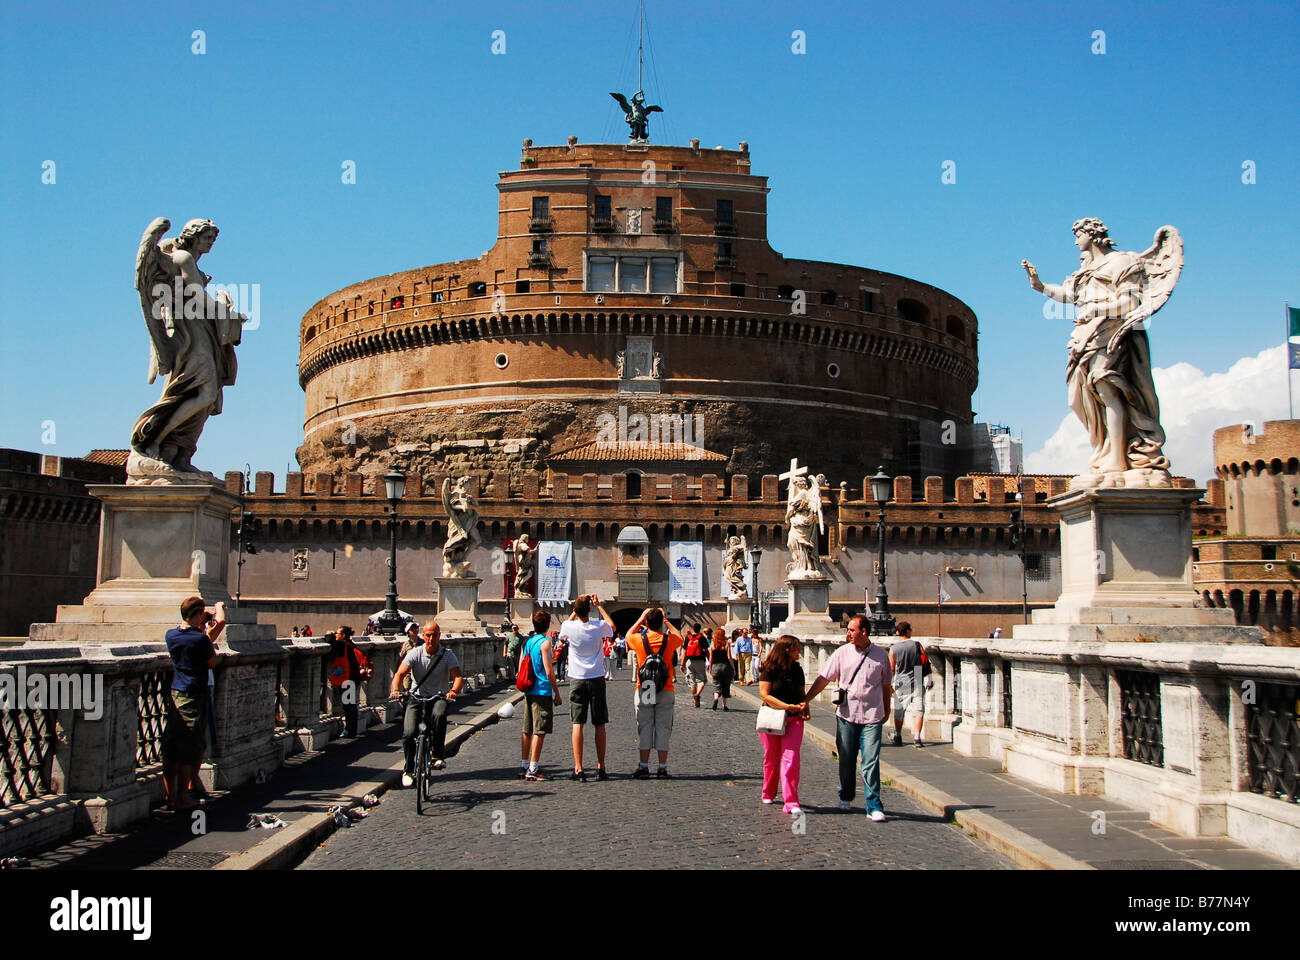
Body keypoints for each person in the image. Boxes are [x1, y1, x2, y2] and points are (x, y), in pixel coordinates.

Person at [802, 614, 893, 821]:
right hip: (846, 715)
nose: (848, 633)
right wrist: (806, 699)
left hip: (872, 716)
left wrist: (886, 711)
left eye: (852, 630)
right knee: (846, 759)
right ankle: (846, 794)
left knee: (870, 761)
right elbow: (824, 678)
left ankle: (874, 805)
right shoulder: (842, 653)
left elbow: (886, 686)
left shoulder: (881, 656)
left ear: (864, 632)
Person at [163, 596, 224, 811]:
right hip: (195, 694)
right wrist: (208, 625)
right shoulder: (200, 639)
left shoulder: (170, 635)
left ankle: (171, 798)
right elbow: (211, 661)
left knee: (171, 748)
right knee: (190, 748)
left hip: (175, 692)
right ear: (198, 615)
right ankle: (184, 796)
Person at [390, 621, 464, 787]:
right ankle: (408, 769)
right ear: (423, 636)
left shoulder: (447, 655)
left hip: (438, 696)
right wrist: (395, 689)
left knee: (439, 714)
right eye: (428, 635)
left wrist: (453, 691)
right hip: (417, 697)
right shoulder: (415, 653)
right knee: (409, 733)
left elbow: (458, 677)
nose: (431, 639)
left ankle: (437, 755)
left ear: (439, 636)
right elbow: (400, 674)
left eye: (434, 635)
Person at [561, 594, 615, 781]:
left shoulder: (569, 626)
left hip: (577, 678)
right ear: (590, 610)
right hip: (596, 678)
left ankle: (578, 768)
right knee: (599, 723)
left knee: (577, 723)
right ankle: (601, 767)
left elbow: (562, 635)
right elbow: (612, 627)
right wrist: (600, 606)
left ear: (575, 611)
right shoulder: (598, 627)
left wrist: (575, 612)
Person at [625, 607, 684, 778]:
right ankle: (662, 767)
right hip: (665, 687)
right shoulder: (669, 640)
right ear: (660, 623)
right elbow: (680, 637)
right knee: (663, 728)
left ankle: (643, 766)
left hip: (646, 687)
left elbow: (628, 634)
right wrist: (666, 620)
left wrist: (640, 618)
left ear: (646, 623)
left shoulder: (638, 639)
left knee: (645, 727)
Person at [758, 635, 810, 815]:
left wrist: (804, 706)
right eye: (796, 648)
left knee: (791, 759)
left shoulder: (797, 670)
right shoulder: (769, 669)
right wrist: (786, 706)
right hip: (773, 717)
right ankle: (768, 791)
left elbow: (801, 693)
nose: (799, 652)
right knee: (771, 757)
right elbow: (764, 695)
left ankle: (791, 801)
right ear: (786, 650)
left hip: (794, 718)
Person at [518, 610, 562, 780]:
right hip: (541, 690)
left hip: (528, 690)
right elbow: (549, 672)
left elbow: (522, 664)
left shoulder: (527, 642)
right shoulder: (545, 644)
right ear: (548, 624)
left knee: (527, 728)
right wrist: (557, 693)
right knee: (540, 730)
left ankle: (523, 764)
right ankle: (533, 768)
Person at [327, 625, 373, 738]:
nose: (335, 635)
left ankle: (350, 731)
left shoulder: (342, 645)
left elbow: (328, 641)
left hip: (347, 679)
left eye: (337, 633)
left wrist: (329, 634)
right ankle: (351, 730)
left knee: (349, 707)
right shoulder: (351, 645)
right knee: (351, 705)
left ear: (343, 635)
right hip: (353, 678)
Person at [889, 621, 928, 748]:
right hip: (917, 678)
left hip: (902, 681)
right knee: (919, 709)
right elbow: (925, 661)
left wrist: (890, 685)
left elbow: (892, 669)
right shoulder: (917, 645)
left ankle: (898, 735)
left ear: (898, 632)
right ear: (908, 631)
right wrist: (929, 678)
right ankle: (917, 738)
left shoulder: (894, 648)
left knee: (899, 711)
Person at [682, 621, 710, 707]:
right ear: (699, 629)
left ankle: (696, 702)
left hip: (689, 661)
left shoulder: (688, 637)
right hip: (700, 661)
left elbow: (685, 652)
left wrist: (682, 663)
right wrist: (710, 661)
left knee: (692, 682)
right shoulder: (702, 638)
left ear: (693, 629)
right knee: (702, 680)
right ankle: (697, 695)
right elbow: (706, 651)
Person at [708, 628, 732, 710]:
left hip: (715, 666)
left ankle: (716, 698)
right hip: (725, 666)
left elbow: (710, 657)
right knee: (726, 685)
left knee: (716, 684)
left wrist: (710, 667)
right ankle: (724, 705)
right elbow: (729, 657)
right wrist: (733, 668)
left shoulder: (713, 644)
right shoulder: (726, 643)